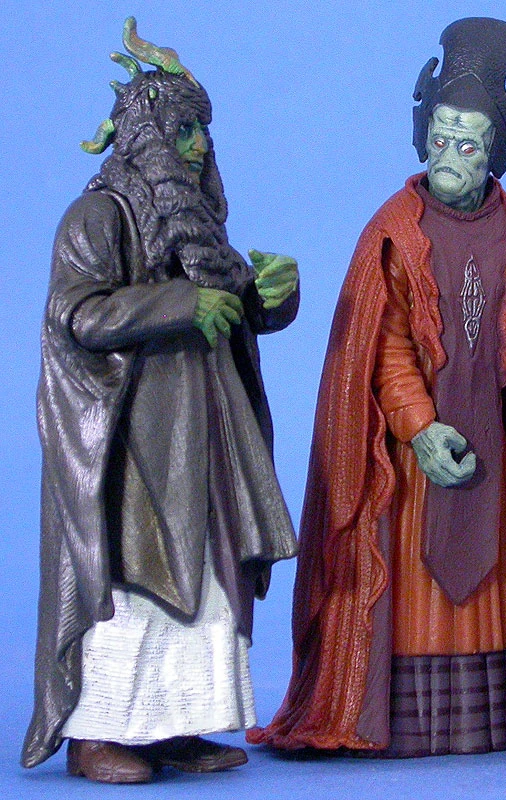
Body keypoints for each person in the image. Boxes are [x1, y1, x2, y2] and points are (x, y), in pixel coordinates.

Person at [249, 17, 506, 758]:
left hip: (493, 453)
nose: (450, 156)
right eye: (441, 138)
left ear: (497, 151)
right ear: (423, 135)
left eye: (469, 144)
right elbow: (381, 345)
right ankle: (386, 715)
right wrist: (418, 427)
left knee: (501, 575)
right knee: (407, 575)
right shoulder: (394, 232)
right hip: (413, 464)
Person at [22, 18, 299, 783]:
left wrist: (269, 296)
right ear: (146, 135)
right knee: (133, 581)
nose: (198, 147)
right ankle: (100, 732)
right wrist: (176, 305)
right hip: (132, 448)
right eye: (182, 131)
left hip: (204, 438)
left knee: (206, 582)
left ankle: (176, 724)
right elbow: (76, 314)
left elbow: (228, 307)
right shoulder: (97, 216)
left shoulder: (197, 223)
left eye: (202, 130)